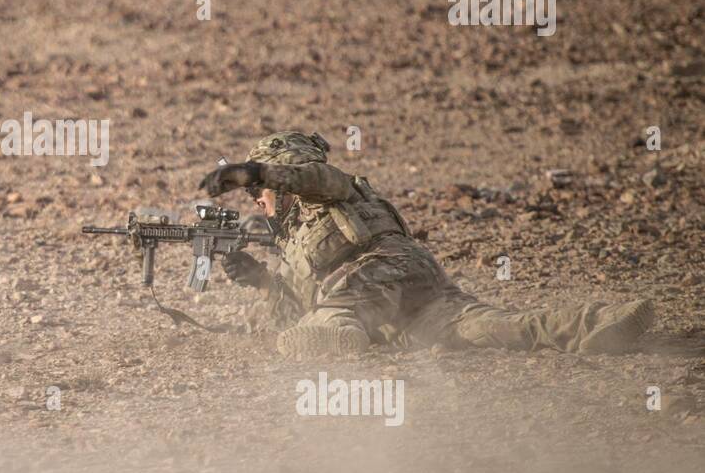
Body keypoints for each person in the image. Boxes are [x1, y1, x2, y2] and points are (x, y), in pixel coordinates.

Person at [198, 131, 655, 359]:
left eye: (258, 190)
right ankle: (593, 325)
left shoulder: (324, 190)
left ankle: (346, 334)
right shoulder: (295, 234)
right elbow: (296, 315)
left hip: (375, 272)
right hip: (415, 292)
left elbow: (316, 177)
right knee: (486, 328)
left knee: (337, 315)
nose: (256, 200)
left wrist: (256, 171)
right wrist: (261, 282)